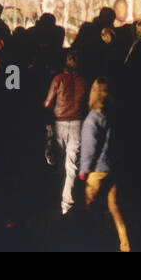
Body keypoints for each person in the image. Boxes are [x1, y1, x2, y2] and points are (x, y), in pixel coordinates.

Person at [79, 78, 129, 251]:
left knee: (87, 208)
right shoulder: (112, 114)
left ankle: (88, 244)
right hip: (111, 167)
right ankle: (126, 245)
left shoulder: (92, 120)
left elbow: (89, 149)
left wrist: (83, 171)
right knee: (115, 208)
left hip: (97, 171)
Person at [44, 50, 89, 215]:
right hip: (77, 124)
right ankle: (66, 205)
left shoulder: (58, 79)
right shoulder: (84, 81)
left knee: (56, 162)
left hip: (59, 123)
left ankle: (52, 198)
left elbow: (48, 103)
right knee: (71, 166)